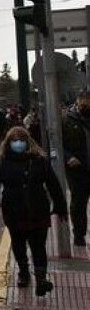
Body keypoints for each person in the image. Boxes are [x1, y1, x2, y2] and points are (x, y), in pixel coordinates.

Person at [0, 127, 67, 296]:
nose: (18, 143)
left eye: (21, 140)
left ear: (27, 141)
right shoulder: (2, 161)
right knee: (18, 243)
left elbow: (53, 183)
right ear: (9, 143)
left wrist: (60, 206)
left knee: (38, 245)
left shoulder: (39, 160)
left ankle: (41, 278)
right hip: (14, 209)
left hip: (37, 208)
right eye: (14, 140)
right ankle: (23, 271)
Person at [62, 91, 90, 246]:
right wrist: (68, 158)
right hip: (77, 170)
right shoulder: (66, 120)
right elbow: (59, 144)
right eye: (83, 104)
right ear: (78, 103)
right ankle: (79, 234)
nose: (86, 107)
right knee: (79, 202)